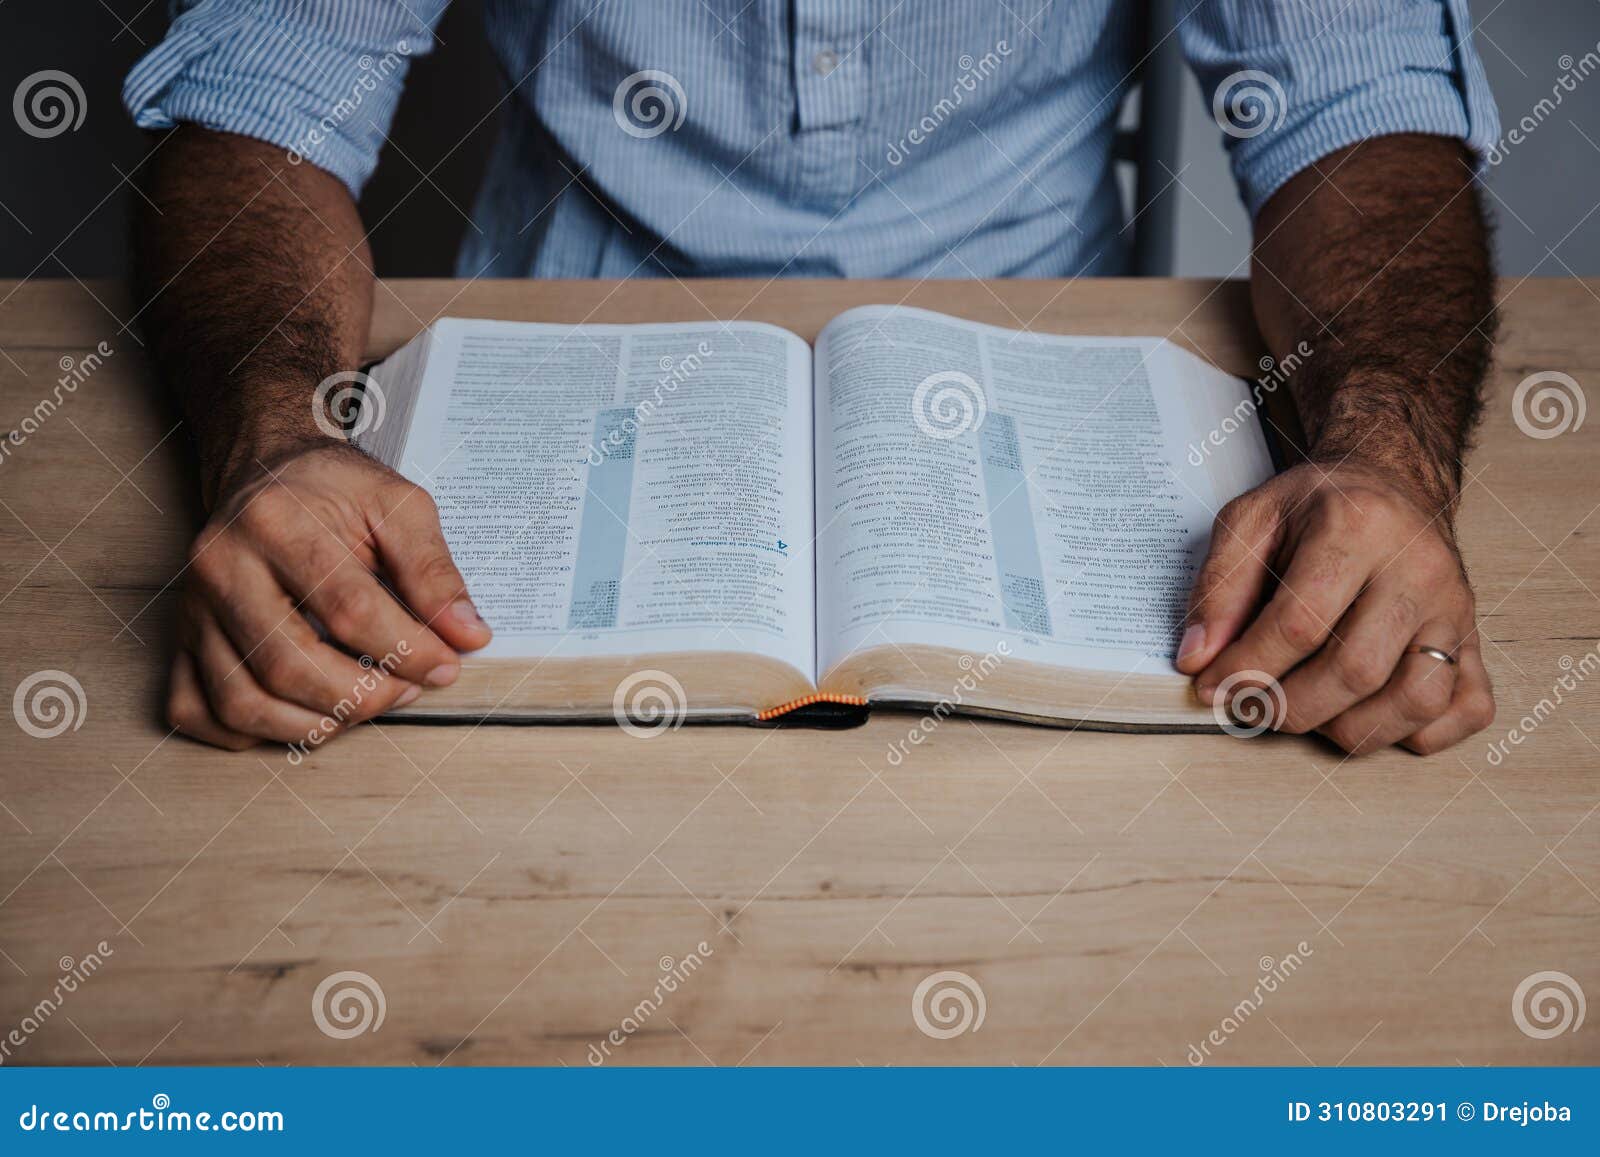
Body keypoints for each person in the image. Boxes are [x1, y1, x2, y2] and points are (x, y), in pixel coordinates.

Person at [124, 0, 1500, 754]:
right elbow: (263, 95)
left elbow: (1355, 106)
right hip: (559, 340)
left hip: (1040, 358)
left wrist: (1384, 456)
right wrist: (276, 439)